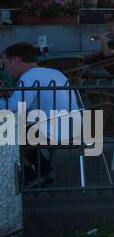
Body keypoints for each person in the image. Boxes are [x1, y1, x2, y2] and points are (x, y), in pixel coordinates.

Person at [2, 42, 85, 186]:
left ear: (16, 60)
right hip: (76, 128)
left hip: (53, 130)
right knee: (19, 131)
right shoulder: (55, 72)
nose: (4, 69)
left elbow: (15, 106)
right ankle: (45, 173)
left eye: (5, 64)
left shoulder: (29, 77)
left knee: (8, 132)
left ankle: (29, 175)